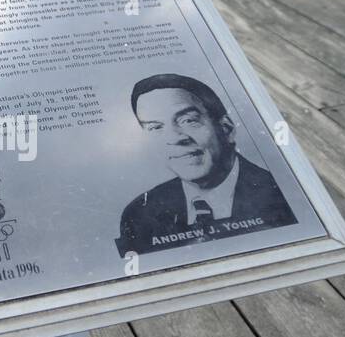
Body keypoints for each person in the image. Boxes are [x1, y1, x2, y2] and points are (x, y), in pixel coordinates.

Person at [116, 74, 295, 257]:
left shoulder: (285, 195)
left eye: (188, 120)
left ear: (227, 128)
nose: (174, 138)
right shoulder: (140, 213)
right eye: (155, 127)